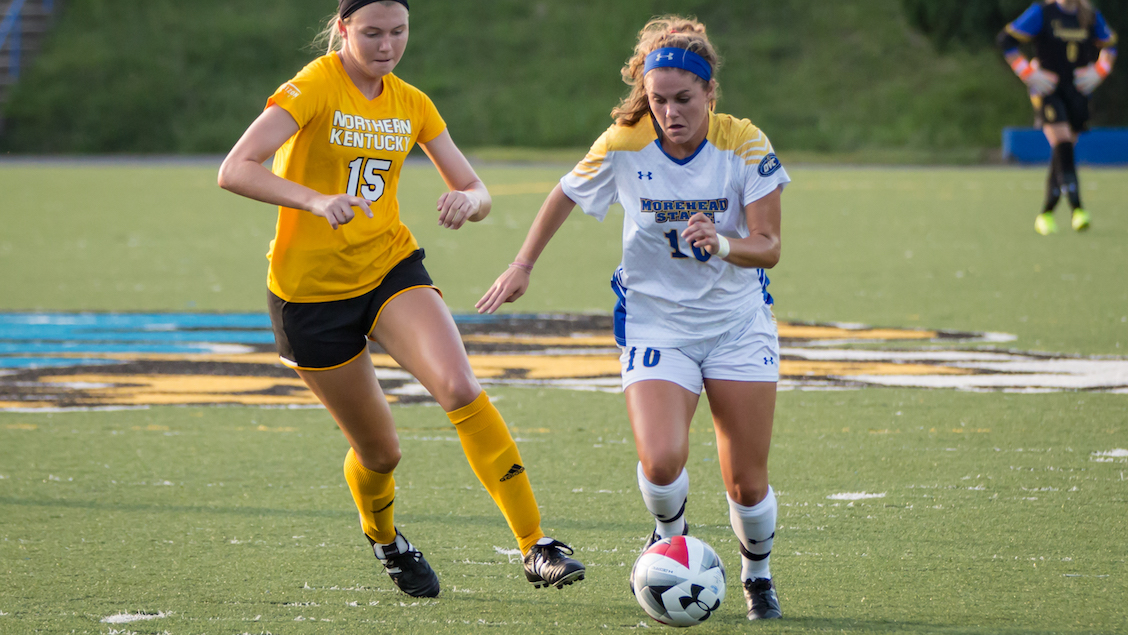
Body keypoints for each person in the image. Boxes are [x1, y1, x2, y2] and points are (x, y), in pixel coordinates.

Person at [217, 0, 584, 598]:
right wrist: (313, 201)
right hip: (310, 298)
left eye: (398, 31)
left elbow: (474, 185)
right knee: (381, 453)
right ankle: (386, 541)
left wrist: (471, 201)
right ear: (342, 29)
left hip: (389, 268)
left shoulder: (411, 101)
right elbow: (235, 168)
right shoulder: (312, 87)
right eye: (371, 33)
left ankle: (535, 545)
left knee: (460, 387)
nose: (386, 45)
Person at [477, 15, 788, 621]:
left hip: (736, 325)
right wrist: (523, 264)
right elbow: (565, 192)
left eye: (683, 100)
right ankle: (667, 533)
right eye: (658, 100)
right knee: (662, 458)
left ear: (710, 94)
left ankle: (758, 576)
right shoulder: (625, 142)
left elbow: (769, 245)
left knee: (746, 484)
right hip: (655, 324)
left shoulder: (744, 142)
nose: (670, 113)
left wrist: (722, 243)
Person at [998, 0, 1118, 235]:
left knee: (1063, 152)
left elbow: (1110, 45)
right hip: (1048, 89)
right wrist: (1027, 72)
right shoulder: (1042, 13)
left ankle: (1046, 214)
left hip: (1077, 91)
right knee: (1062, 142)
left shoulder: (1090, 15)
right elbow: (1005, 40)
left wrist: (1100, 70)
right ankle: (1078, 208)